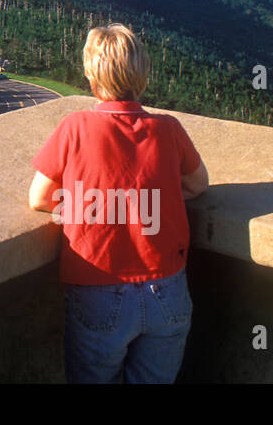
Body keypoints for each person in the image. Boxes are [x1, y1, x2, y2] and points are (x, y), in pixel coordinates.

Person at [28, 23, 209, 383]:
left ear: (91, 78)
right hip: (168, 289)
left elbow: (40, 199)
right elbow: (198, 184)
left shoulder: (74, 127)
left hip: (98, 287)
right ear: (142, 74)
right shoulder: (169, 129)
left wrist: (88, 205)